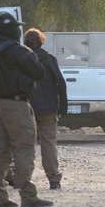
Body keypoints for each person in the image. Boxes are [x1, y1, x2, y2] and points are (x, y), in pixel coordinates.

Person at [0, 13, 51, 207]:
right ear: (13, 30)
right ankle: (27, 195)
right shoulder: (19, 51)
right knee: (24, 148)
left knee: (1, 150)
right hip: (17, 105)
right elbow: (39, 72)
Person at [24, 28, 67, 190]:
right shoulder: (49, 59)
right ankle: (53, 179)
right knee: (48, 144)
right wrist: (63, 107)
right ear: (41, 41)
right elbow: (61, 84)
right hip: (48, 108)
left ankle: (23, 177)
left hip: (26, 108)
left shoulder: (21, 59)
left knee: (25, 144)